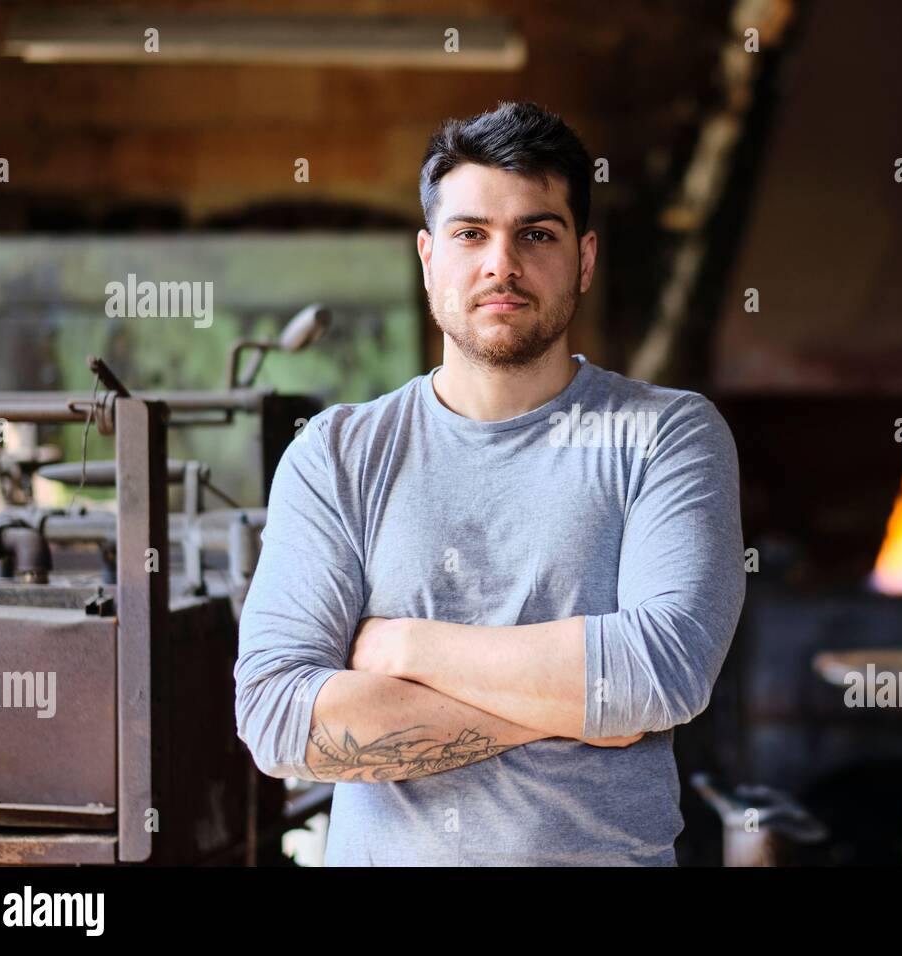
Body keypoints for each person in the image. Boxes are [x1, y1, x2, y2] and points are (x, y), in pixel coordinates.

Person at [234, 100, 745, 865]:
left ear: (585, 258)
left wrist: (404, 646)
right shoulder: (338, 454)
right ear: (429, 254)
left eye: (536, 234)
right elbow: (278, 722)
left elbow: (661, 672)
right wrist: (586, 706)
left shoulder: (666, 433)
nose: (500, 264)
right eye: (471, 233)